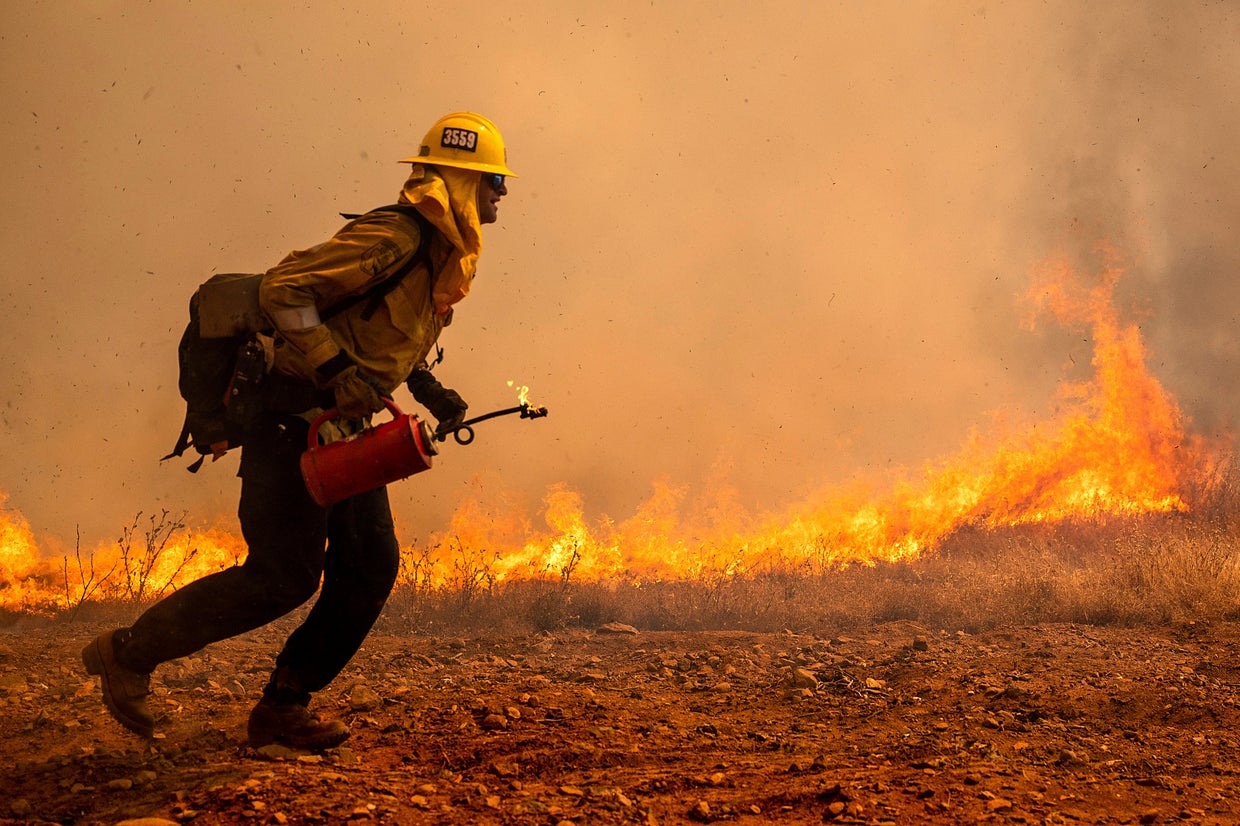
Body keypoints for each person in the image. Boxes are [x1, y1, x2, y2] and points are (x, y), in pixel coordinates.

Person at [81, 111, 517, 750]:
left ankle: (283, 706)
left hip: (343, 431)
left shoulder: (437, 257)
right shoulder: (394, 237)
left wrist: (429, 391)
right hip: (292, 423)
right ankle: (127, 653)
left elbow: (373, 333)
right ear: (458, 182)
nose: (502, 193)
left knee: (368, 568)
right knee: (282, 576)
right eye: (493, 180)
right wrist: (336, 370)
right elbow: (286, 290)